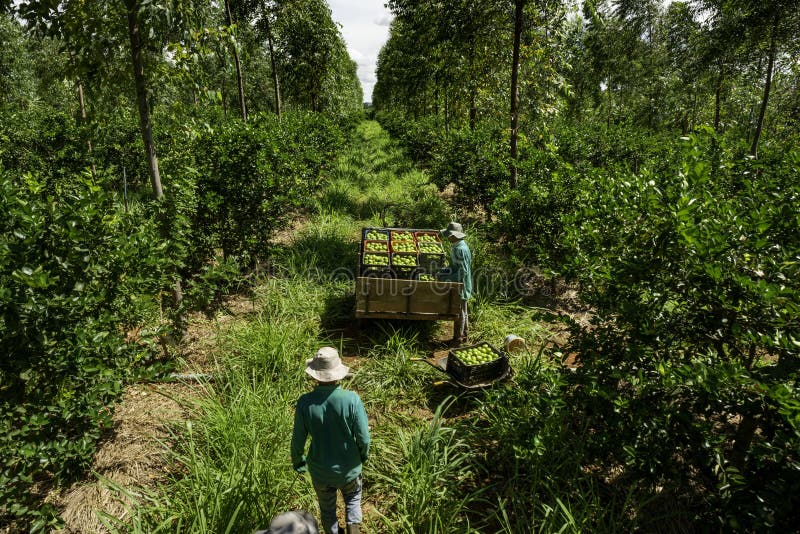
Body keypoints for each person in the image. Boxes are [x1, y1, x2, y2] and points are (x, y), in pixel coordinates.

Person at [291, 347, 370, 534]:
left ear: (315, 375)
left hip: (320, 471)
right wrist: (362, 455)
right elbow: (363, 437)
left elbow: (298, 438)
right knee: (352, 500)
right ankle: (354, 529)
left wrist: (298, 460)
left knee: (327, 510)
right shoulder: (352, 400)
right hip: (349, 468)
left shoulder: (305, 403)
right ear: (339, 374)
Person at [440, 221, 473, 343]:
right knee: (462, 309)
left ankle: (458, 338)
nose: (448, 237)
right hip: (459, 281)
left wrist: (446, 279)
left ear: (454, 236)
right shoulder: (457, 246)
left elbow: (462, 272)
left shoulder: (460, 249)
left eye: (449, 235)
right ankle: (464, 334)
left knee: (460, 310)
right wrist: (444, 271)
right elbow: (455, 267)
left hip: (462, 283)